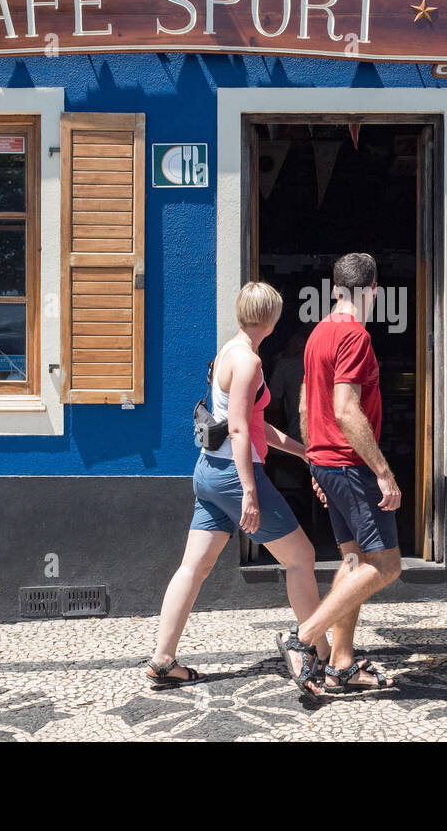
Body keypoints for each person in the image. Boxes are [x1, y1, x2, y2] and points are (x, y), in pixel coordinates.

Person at [147, 282, 331, 691]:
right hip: (235, 475)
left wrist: (303, 453)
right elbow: (238, 428)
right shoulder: (248, 362)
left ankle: (163, 660)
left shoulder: (226, 353)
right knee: (301, 557)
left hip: (209, 472)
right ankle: (317, 652)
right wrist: (250, 490)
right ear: (272, 318)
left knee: (193, 568)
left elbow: (255, 423)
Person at [276, 252, 401, 694]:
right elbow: (346, 410)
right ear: (371, 290)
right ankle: (304, 637)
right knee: (385, 565)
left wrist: (314, 461)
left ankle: (343, 663)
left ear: (333, 290)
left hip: (329, 466)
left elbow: (308, 407)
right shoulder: (354, 337)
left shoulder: (316, 336)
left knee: (353, 561)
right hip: (351, 468)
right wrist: (383, 472)